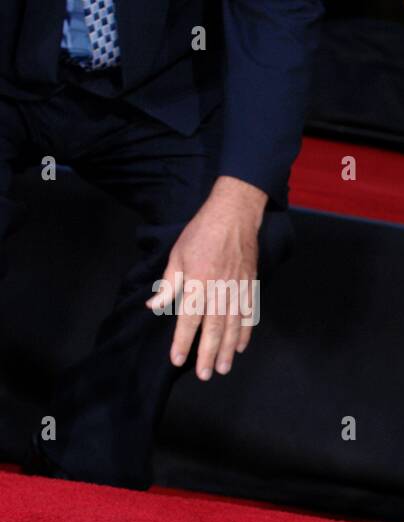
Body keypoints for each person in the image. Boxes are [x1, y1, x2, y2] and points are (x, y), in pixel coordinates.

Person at [1, 0, 322, 489]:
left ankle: (84, 458)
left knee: (247, 231)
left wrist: (239, 201)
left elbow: (278, 14)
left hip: (166, 83)